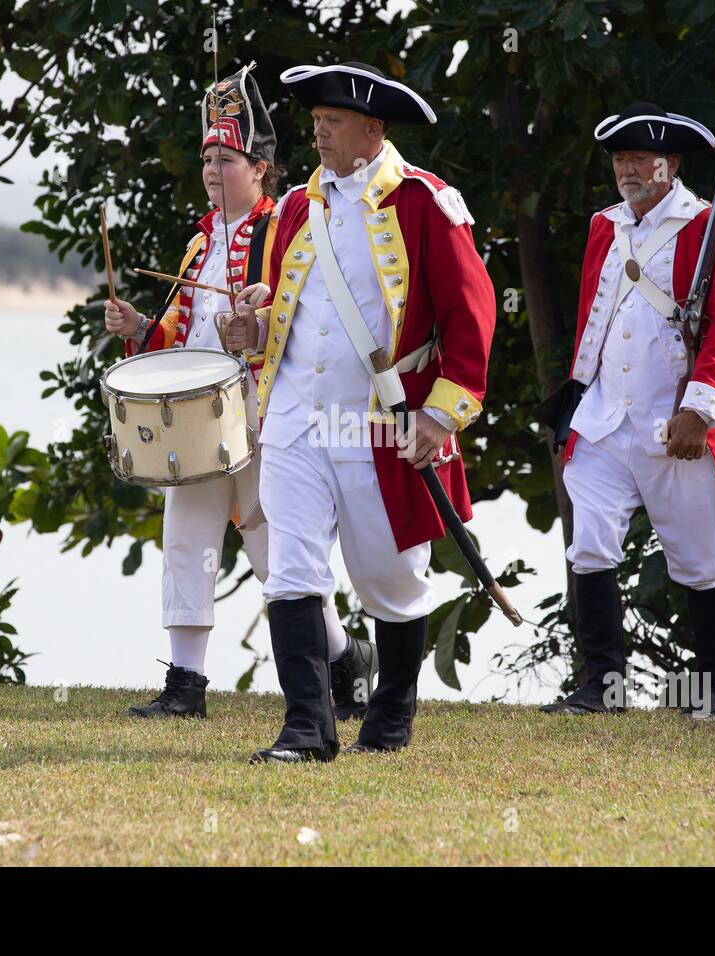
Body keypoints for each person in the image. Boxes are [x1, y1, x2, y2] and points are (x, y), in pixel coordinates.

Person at [220, 62, 496, 762]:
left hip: (379, 424)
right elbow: (286, 313)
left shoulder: (428, 203)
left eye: (333, 120)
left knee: (391, 579)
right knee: (291, 568)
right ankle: (307, 729)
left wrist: (441, 415)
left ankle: (392, 710)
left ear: (374, 129)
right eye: (315, 120)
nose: (318, 130)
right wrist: (250, 331)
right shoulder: (291, 210)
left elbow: (472, 317)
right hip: (294, 418)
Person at [103, 65, 369, 720]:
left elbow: (308, 305)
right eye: (206, 159)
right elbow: (176, 338)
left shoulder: (290, 224)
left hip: (263, 408)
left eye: (225, 157)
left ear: (260, 167)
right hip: (198, 415)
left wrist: (263, 306)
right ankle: (186, 683)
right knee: (187, 534)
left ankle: (342, 658)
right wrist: (140, 328)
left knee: (270, 544)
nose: (213, 170)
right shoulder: (198, 245)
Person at [540, 102, 715, 719]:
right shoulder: (605, 226)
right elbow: (594, 320)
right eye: (619, 157)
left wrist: (700, 409)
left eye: (639, 157)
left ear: (671, 163)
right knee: (591, 546)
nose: (627, 168)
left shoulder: (712, 229)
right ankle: (602, 686)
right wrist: (576, 398)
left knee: (700, 559)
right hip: (606, 418)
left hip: (675, 420)